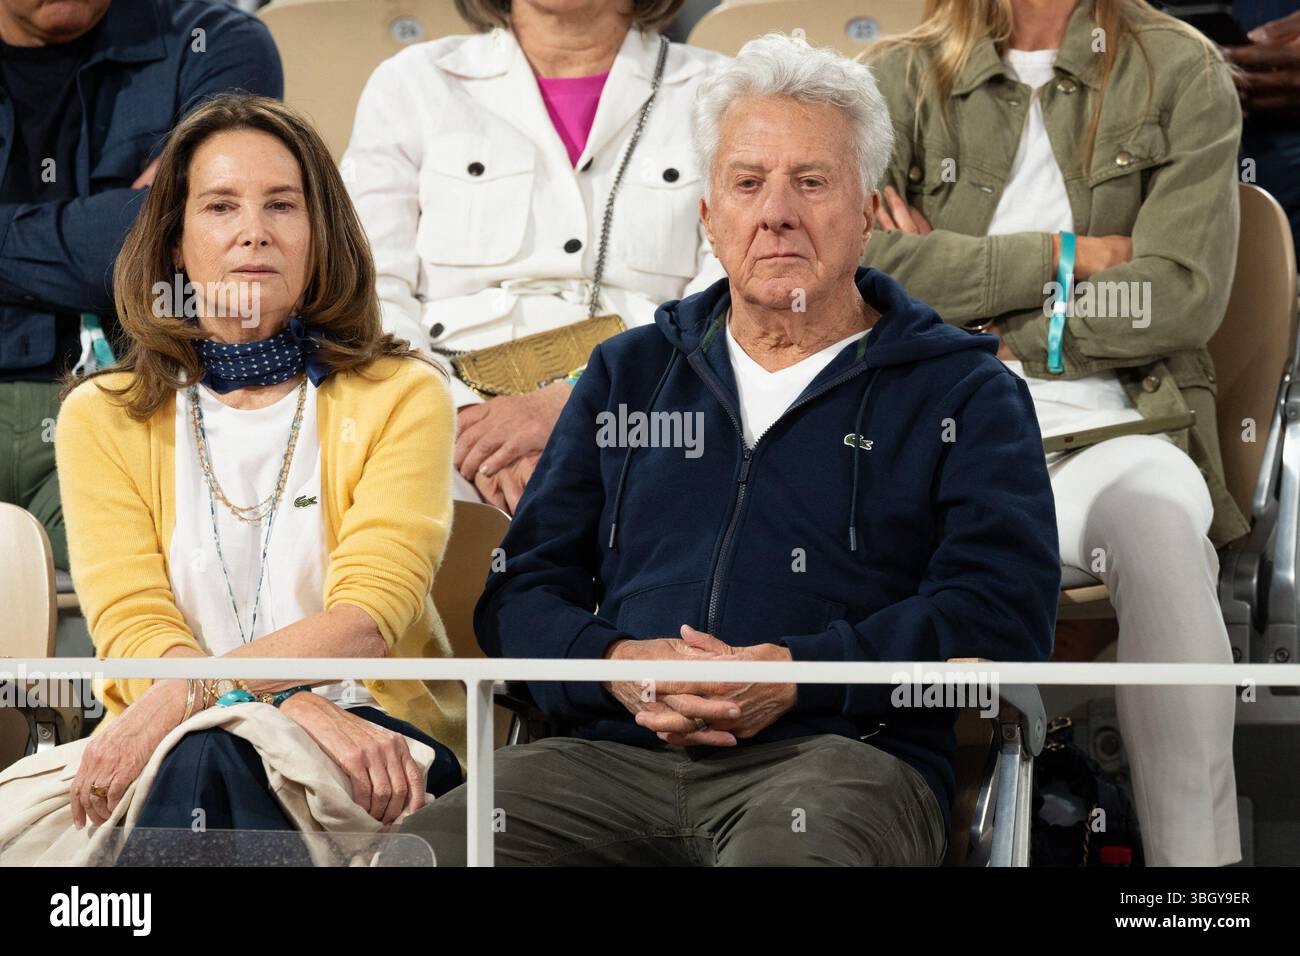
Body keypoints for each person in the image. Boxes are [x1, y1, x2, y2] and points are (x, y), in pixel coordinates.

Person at [399, 33, 1060, 866]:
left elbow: (1003, 613)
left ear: (866, 211)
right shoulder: (627, 373)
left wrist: (804, 673)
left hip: (843, 762)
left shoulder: (963, 391)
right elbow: (522, 591)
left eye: (811, 182)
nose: (776, 210)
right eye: (748, 183)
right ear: (709, 216)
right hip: (603, 756)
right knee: (416, 855)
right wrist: (615, 663)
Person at [863, 0, 1244, 866]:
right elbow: (858, 265)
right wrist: (1073, 257)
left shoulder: (1181, 70)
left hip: (1112, 428)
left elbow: (1173, 294)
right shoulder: (893, 77)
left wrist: (989, 326)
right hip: (929, 431)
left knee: (1158, 524)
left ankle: (1198, 882)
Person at [49, 94, 464, 846]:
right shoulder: (102, 416)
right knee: (212, 753)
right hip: (172, 739)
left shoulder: (403, 395)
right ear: (176, 242)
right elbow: (134, 625)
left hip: (375, 742)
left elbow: (366, 623)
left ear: (319, 232)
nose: (253, 232)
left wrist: (217, 696)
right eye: (219, 207)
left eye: (282, 204)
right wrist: (278, 704)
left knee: (212, 752)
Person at [343, 0, 727, 513]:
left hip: (643, 405)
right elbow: (367, 290)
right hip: (443, 414)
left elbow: (728, 296)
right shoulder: (412, 84)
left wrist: (574, 405)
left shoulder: (722, 90)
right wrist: (461, 426)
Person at [0, 0, 282, 572]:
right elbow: (153, 232)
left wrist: (156, 223)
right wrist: (121, 219)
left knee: (194, 596)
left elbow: (195, 237)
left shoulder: (217, 40)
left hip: (146, 404)